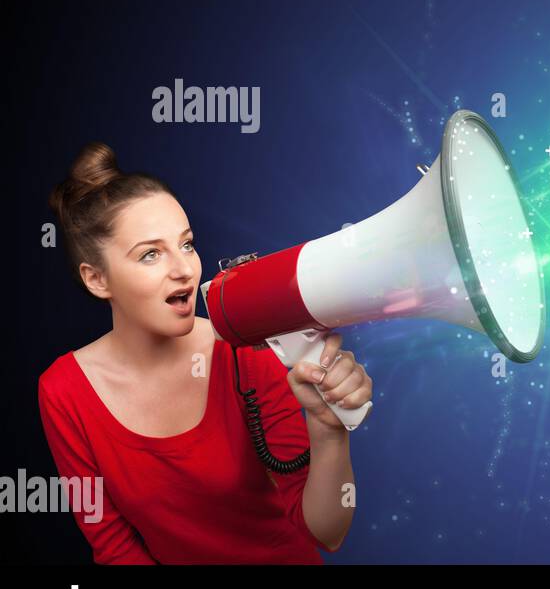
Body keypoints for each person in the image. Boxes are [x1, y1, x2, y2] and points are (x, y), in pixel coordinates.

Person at [37, 142, 372, 564]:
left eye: (188, 244)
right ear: (97, 279)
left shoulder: (246, 352)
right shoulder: (62, 392)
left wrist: (328, 431)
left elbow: (329, 532)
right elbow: (112, 544)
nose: (184, 269)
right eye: (151, 254)